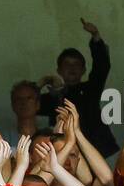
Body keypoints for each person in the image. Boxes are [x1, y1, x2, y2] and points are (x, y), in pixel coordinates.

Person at [38, 18, 113, 156]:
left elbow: (102, 67)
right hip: (62, 152)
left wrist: (96, 36)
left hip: (95, 148)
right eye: (67, 64)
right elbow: (28, 104)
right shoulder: (52, 96)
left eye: (76, 64)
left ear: (83, 70)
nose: (72, 68)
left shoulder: (91, 89)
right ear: (59, 70)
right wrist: (42, 83)